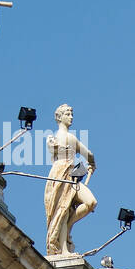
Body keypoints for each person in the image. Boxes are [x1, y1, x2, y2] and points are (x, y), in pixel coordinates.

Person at [44, 103, 97, 256]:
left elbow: (90, 155)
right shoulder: (53, 138)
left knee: (91, 202)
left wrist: (91, 164)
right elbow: (54, 150)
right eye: (68, 114)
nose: (71, 117)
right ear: (59, 117)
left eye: (71, 114)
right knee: (62, 209)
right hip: (60, 174)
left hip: (72, 176)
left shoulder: (71, 138)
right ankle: (64, 249)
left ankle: (67, 226)